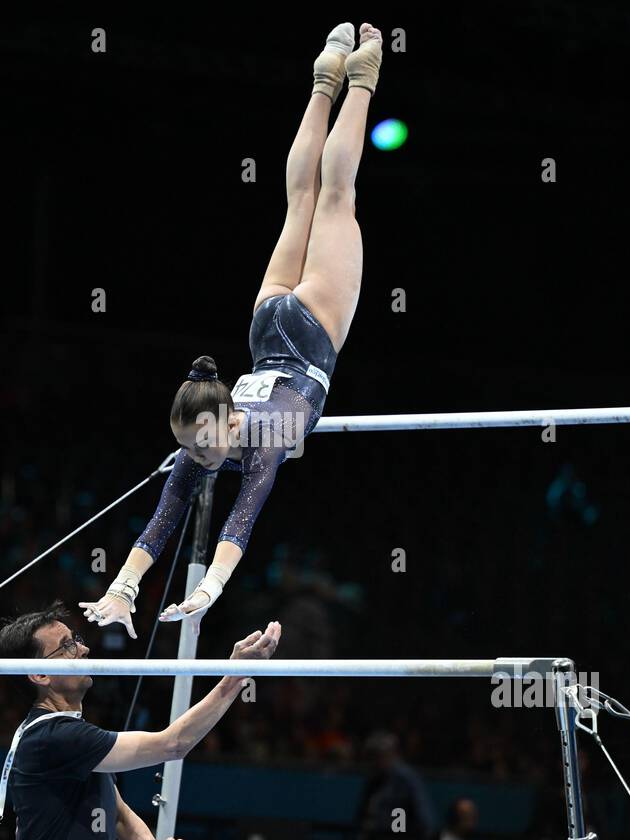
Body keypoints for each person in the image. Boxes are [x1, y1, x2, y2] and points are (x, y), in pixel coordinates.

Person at [80, 23, 385, 636]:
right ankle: (326, 78)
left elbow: (245, 515)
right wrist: (122, 590)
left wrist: (212, 588)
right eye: (191, 449)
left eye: (197, 447)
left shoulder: (268, 433)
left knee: (330, 197)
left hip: (301, 329)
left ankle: (360, 79)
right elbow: (165, 515)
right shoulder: (212, 434)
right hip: (268, 323)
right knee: (304, 198)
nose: (193, 459)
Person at [0, 600, 282, 840]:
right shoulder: (53, 737)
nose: (84, 649)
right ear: (39, 675)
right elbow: (173, 744)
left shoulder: (69, 736)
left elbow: (117, 814)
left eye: (76, 639)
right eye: (67, 646)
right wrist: (234, 678)